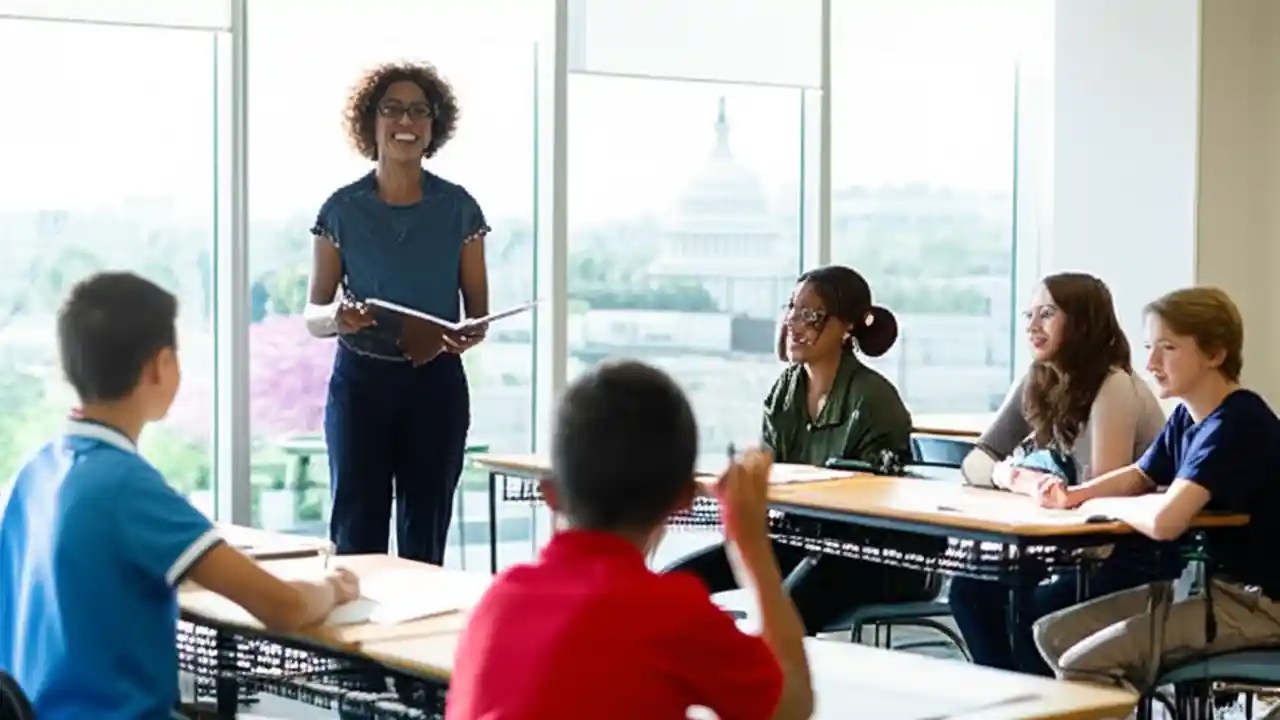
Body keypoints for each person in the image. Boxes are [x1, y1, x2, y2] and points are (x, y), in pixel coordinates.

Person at [0, 272, 360, 720]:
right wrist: (333, 587)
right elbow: (282, 607)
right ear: (161, 365)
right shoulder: (126, 486)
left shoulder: (36, 471)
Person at [447, 360, 813, 720]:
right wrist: (750, 543)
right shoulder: (672, 613)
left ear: (550, 493)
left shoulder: (497, 603)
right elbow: (792, 705)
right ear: (684, 500)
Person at [1032, 287, 1280, 690]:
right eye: (1150, 347)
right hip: (1213, 590)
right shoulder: (1187, 416)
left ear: (1215, 354)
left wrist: (1100, 506)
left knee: (1087, 661)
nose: (1150, 363)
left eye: (1168, 348)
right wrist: (1076, 496)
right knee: (1052, 633)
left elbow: (1166, 521)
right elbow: (1139, 475)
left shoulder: (1238, 421)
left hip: (1261, 604)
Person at [667, 265, 932, 635]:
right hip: (801, 539)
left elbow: (882, 504)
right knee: (671, 585)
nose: (793, 323)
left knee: (779, 618)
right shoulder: (786, 390)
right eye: (792, 309)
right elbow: (772, 474)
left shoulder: (874, 399)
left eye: (811, 315)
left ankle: (765, 671)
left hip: (870, 556)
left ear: (847, 328)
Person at [305, 61, 489, 565]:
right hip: (360, 387)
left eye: (418, 111)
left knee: (424, 537)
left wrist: (468, 333)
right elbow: (314, 314)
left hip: (435, 386)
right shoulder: (341, 210)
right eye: (392, 109)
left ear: (433, 126)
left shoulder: (460, 209)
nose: (405, 121)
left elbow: (478, 314)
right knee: (355, 535)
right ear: (371, 121)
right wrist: (338, 317)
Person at [949, 272, 1169, 675]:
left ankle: (1042, 699)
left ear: (1082, 323)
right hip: (1071, 547)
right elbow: (975, 463)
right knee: (969, 590)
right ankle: (1012, 695)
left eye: (1047, 314)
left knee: (1033, 609)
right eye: (1029, 314)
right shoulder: (1040, 377)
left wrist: (1023, 477)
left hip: (1131, 554)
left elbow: (1101, 499)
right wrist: (1012, 477)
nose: (1033, 326)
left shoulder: (1115, 385)